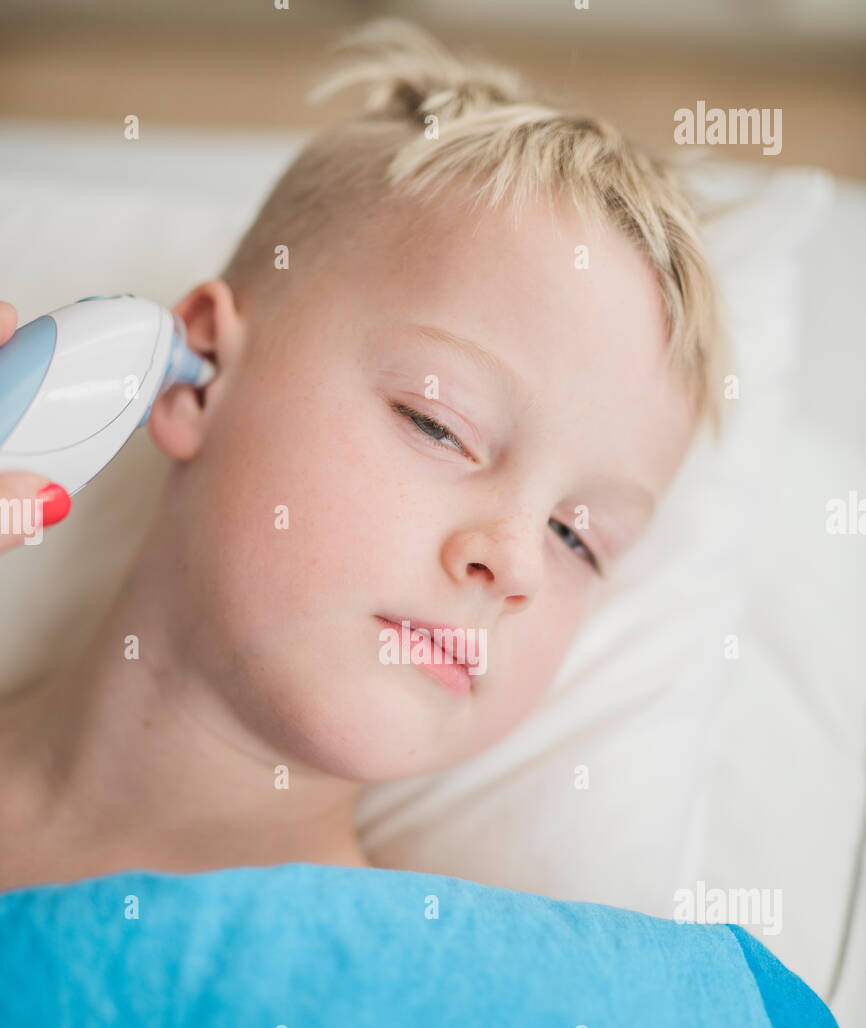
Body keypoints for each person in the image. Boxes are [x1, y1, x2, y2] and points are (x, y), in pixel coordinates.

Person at [0, 17, 721, 893]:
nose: (518, 561)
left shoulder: (421, 1002)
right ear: (198, 379)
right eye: (438, 423)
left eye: (578, 537)